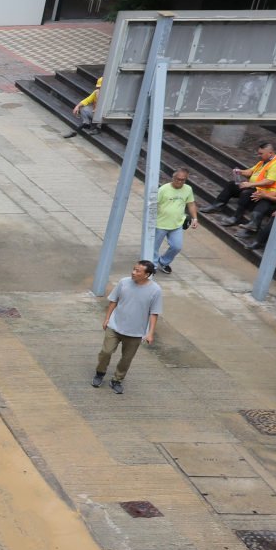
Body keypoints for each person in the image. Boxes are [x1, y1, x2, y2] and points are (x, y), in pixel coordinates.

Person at [93, 259, 162, 394]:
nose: (133, 272)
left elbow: (154, 313)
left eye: (137, 271)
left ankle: (117, 380)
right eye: (134, 269)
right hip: (115, 325)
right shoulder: (124, 282)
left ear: (146, 275)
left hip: (135, 332)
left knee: (126, 358)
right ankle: (100, 373)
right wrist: (107, 318)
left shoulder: (155, 290)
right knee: (105, 352)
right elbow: (114, 300)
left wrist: (150, 333)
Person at [210, 142, 276, 226]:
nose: (259, 155)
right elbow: (250, 172)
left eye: (261, 153)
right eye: (258, 153)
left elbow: (270, 181)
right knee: (232, 184)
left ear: (270, 153)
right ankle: (217, 205)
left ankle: (237, 217)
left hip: (263, 191)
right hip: (254, 186)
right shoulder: (263, 161)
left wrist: (250, 184)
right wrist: (240, 172)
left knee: (246, 193)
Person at [152, 168, 196, 273]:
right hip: (160, 224)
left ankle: (163, 262)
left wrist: (195, 218)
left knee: (177, 246)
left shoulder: (188, 189)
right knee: (154, 247)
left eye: (183, 180)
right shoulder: (163, 189)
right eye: (178, 179)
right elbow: (154, 204)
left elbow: (191, 203)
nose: (179, 182)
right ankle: (152, 265)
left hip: (177, 224)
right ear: (173, 178)